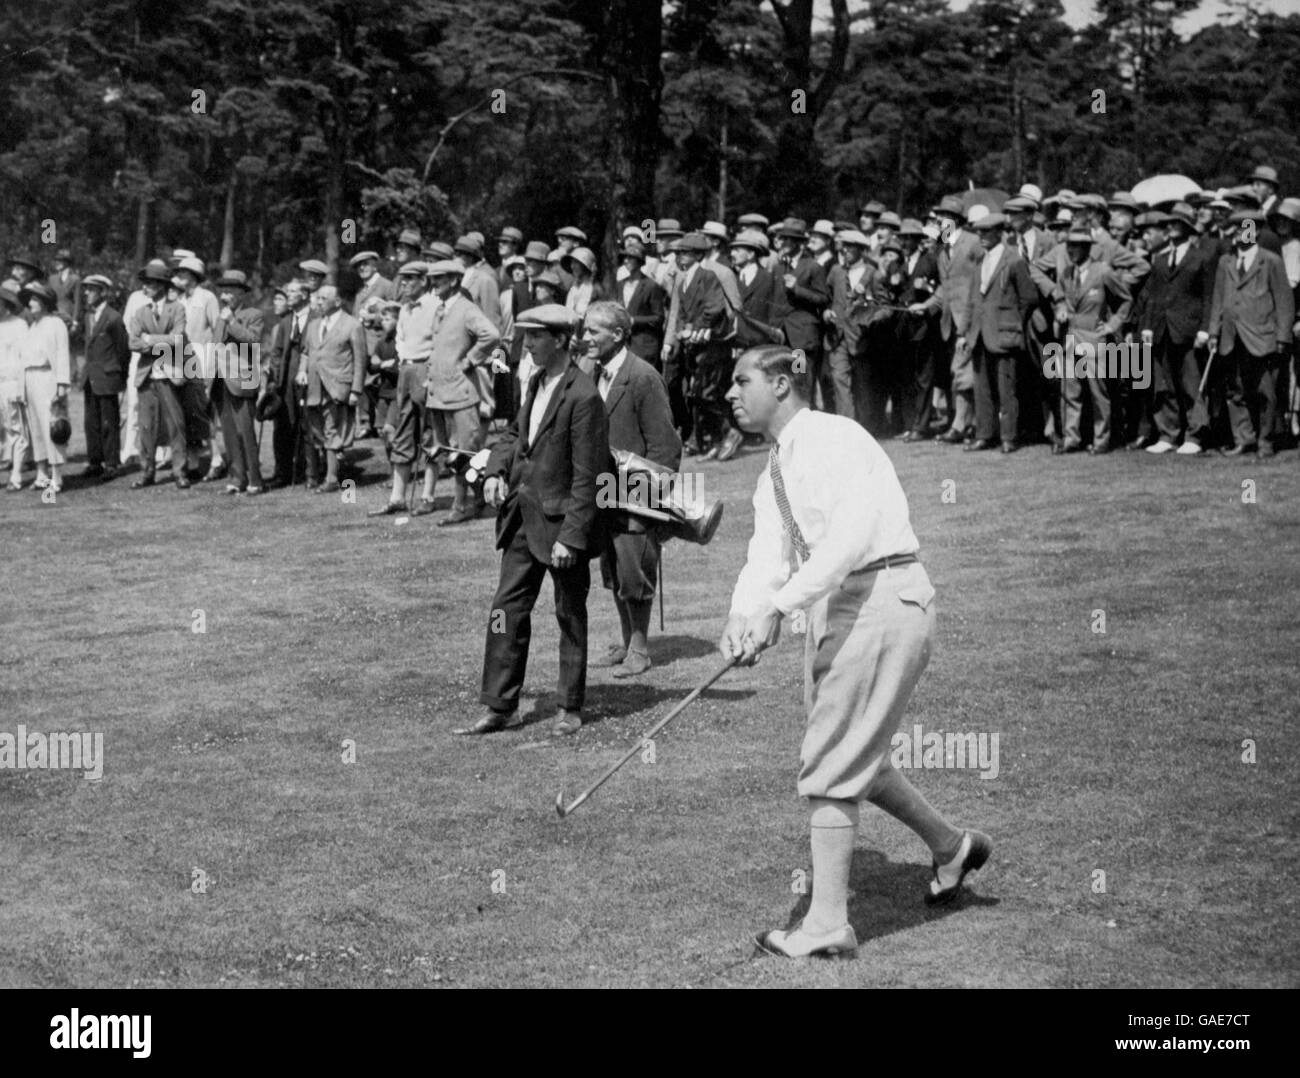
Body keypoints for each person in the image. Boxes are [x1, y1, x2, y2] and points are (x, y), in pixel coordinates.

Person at [719, 344, 990, 959]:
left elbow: (847, 542)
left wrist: (779, 608)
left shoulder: (835, 439)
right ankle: (953, 847)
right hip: (840, 606)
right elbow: (768, 553)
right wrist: (743, 614)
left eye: (742, 382)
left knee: (832, 763)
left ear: (783, 385)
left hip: (881, 595)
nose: (730, 394)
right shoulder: (774, 468)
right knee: (854, 755)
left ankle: (828, 926)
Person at [456, 304, 609, 738]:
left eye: (535, 337)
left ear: (560, 340)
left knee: (569, 614)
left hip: (563, 529)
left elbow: (591, 476)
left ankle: (569, 706)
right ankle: (499, 705)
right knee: (505, 610)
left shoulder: (584, 396)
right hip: (522, 520)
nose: (526, 345)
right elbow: (514, 437)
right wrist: (494, 471)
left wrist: (572, 538)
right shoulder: (535, 381)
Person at [583, 301, 681, 678]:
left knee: (634, 569)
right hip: (601, 490)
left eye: (594, 331)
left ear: (619, 335)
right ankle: (627, 642)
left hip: (635, 493)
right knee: (613, 569)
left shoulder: (642, 377)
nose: (586, 337)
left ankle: (640, 649)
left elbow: (665, 447)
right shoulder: (592, 373)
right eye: (586, 329)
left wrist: (646, 504)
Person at [1208, 209, 1295, 457]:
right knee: (1235, 391)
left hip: (1262, 337)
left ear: (1255, 231)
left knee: (1265, 391)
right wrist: (1214, 331)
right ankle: (1243, 438)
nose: (1238, 232)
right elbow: (1218, 300)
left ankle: (1265, 440)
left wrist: (1282, 337)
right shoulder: (1226, 261)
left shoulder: (1270, 261)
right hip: (1231, 336)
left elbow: (1284, 302)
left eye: (1243, 227)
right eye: (1234, 228)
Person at [420, 259, 501, 524]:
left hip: (462, 392)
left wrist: (471, 359)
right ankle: (477, 499)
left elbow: (492, 334)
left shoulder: (467, 309)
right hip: (439, 391)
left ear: (454, 280)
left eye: (439, 278)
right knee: (444, 450)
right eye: (432, 279)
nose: (434, 284)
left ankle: (461, 505)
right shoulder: (440, 310)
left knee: (465, 452)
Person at [1137, 203, 1216, 456]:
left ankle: (1195, 435)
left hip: (1189, 330)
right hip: (1161, 329)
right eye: (1168, 223)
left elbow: (1208, 297)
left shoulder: (1200, 258)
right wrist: (1148, 326)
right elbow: (1153, 296)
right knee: (1164, 385)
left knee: (1192, 385)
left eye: (1176, 223)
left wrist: (1205, 330)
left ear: (1188, 228)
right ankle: (1167, 434)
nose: (1170, 227)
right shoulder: (1159, 261)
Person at [1055, 229, 1133, 454]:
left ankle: (1102, 440)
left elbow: (1126, 300)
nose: (1071, 250)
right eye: (1069, 245)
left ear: (1087, 248)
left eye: (1076, 245)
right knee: (1070, 392)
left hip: (1094, 340)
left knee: (1099, 393)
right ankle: (1071, 439)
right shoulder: (1067, 273)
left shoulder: (1102, 272)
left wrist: (1112, 325)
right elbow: (1059, 298)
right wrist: (1060, 309)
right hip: (1071, 338)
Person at [965, 214, 1037, 453]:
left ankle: (1008, 436)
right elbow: (972, 300)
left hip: (1004, 334)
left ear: (999, 233)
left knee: (1007, 390)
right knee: (982, 388)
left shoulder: (1014, 260)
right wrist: (964, 332)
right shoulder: (979, 262)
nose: (981, 237)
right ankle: (984, 434)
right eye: (979, 233)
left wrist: (1012, 321)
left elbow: (1028, 298)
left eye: (986, 232)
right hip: (980, 334)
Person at [298, 284, 366, 491]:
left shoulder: (352, 325)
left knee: (333, 430)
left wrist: (356, 390)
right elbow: (307, 352)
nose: (318, 302)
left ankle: (332, 479)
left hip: (338, 386)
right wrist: (302, 371)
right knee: (318, 430)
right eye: (317, 298)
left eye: (323, 298)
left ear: (337, 302)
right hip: (314, 387)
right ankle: (332, 471)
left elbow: (360, 360)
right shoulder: (313, 325)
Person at [129, 259, 190, 489]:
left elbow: (177, 338)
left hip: (170, 374)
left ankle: (179, 472)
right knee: (146, 427)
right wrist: (157, 343)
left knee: (176, 425)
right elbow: (132, 342)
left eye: (150, 284)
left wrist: (149, 340)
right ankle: (147, 472)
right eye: (145, 284)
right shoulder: (140, 311)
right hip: (146, 376)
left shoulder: (177, 309)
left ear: (161, 286)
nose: (145, 288)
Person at [211, 270, 266, 494]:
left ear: (241, 293)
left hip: (242, 378)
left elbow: (253, 340)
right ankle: (236, 478)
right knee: (229, 432)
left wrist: (232, 321)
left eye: (230, 290)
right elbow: (216, 344)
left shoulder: (253, 314)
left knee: (245, 431)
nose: (225, 295)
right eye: (223, 290)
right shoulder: (220, 317)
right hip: (221, 379)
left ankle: (255, 480)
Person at [18, 281, 72, 494]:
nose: (30, 303)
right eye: (29, 299)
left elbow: (61, 354)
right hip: (31, 378)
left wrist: (61, 384)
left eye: (34, 299)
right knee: (36, 428)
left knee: (52, 426)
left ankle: (56, 476)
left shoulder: (55, 323)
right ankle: (42, 473)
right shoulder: (33, 325)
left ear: (44, 302)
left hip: (47, 377)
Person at [79, 274, 131, 482]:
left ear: (103, 292)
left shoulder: (113, 318)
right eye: (86, 289)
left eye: (92, 289)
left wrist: (120, 374)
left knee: (109, 421)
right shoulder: (87, 316)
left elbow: (122, 349)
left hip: (108, 377)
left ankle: (111, 463)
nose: (87, 293)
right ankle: (95, 462)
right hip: (90, 376)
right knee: (91, 421)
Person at [1, 281, 30, 489]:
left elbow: (23, 359)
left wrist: (20, 387)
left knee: (15, 428)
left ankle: (16, 475)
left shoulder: (18, 325)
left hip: (11, 384)